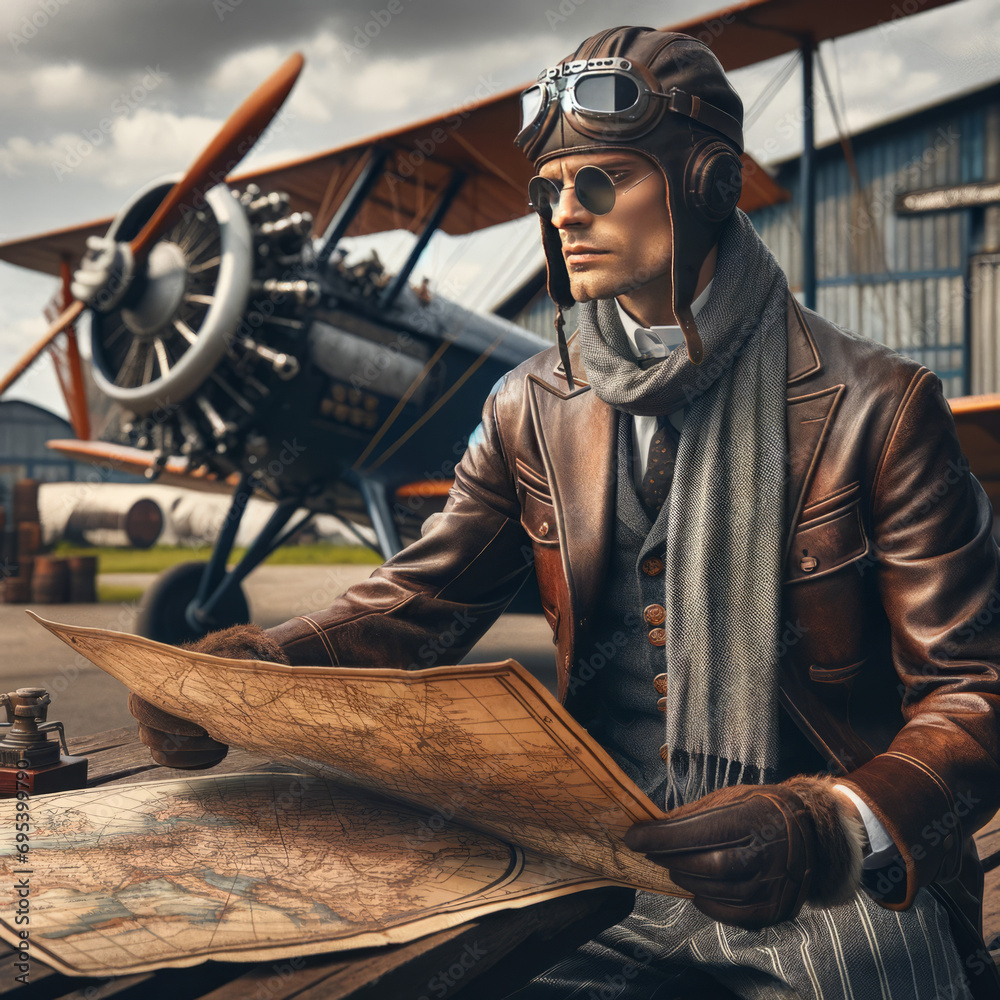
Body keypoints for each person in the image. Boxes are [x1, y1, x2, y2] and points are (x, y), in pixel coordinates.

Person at [128, 27, 1000, 999]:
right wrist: (252, 674)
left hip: (822, 888)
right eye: (548, 193)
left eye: (598, 185)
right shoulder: (528, 406)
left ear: (707, 183)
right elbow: (421, 602)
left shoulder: (881, 407)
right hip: (599, 869)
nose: (563, 216)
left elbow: (977, 696)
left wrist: (832, 824)